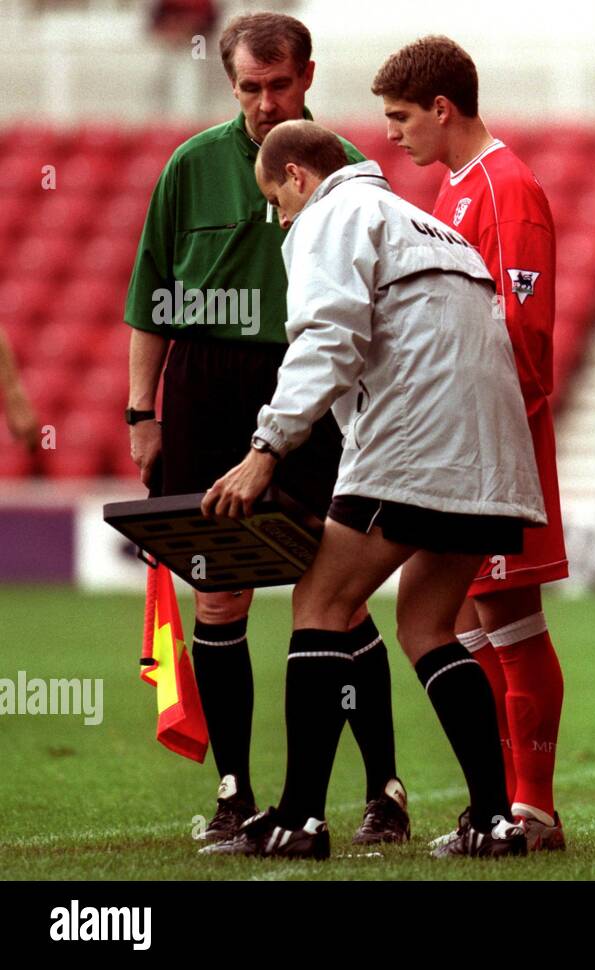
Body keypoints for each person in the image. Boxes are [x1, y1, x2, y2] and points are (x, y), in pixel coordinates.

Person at [200, 120, 546, 860]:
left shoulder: (333, 214)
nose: (281, 220)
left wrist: (268, 446)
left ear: (298, 176)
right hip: (490, 455)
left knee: (321, 602)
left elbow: (328, 336)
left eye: (276, 203)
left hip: (415, 445)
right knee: (428, 625)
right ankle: (493, 819)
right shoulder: (431, 224)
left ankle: (299, 819)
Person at [122, 12, 409, 845]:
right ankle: (234, 791)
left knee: (337, 593)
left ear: (308, 77)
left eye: (279, 85)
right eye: (250, 87)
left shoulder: (347, 168)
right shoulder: (190, 167)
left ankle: (382, 791)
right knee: (218, 590)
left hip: (311, 385)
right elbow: (152, 300)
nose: (264, 101)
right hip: (206, 386)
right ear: (231, 85)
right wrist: (144, 413)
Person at [371, 36, 569, 851]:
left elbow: (521, 331)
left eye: (401, 117)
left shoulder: (507, 189)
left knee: (511, 622)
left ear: (442, 109)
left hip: (496, 442)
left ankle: (530, 810)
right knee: (465, 621)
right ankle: (501, 805)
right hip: (463, 441)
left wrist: (481, 428)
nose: (392, 134)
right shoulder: (456, 189)